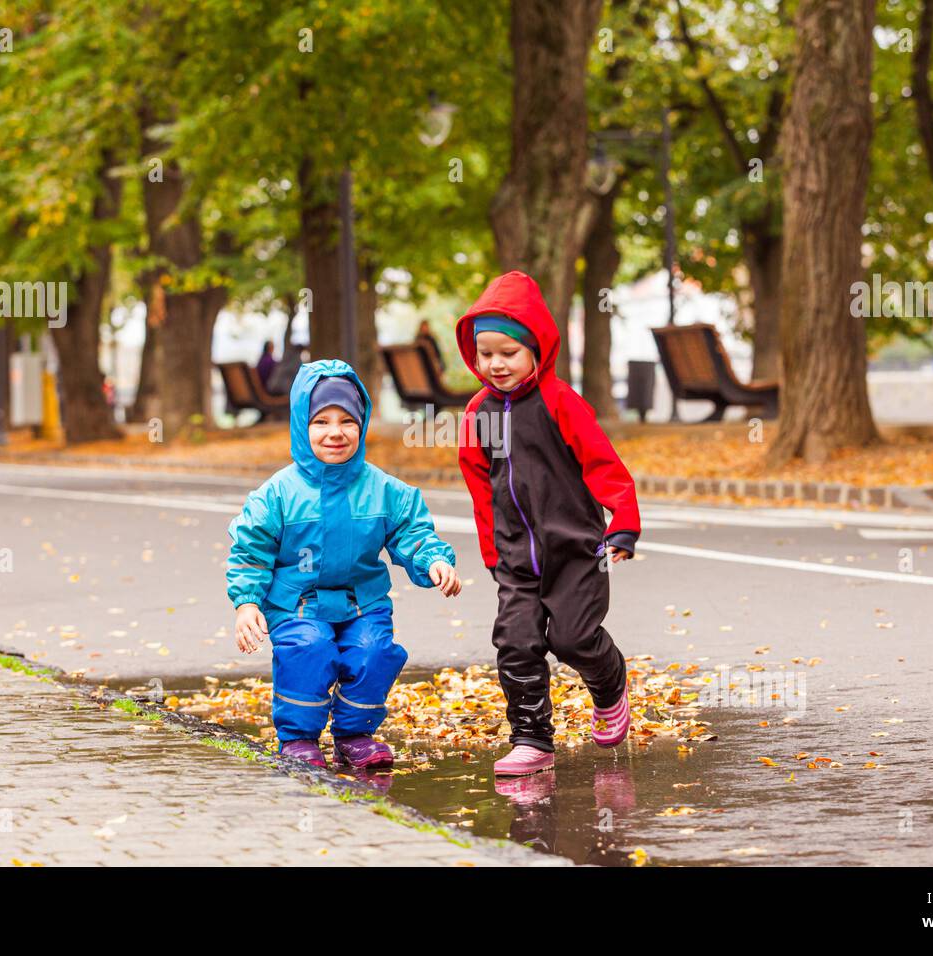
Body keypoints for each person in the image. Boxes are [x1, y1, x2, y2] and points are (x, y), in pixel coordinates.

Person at [226, 359, 462, 769]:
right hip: (298, 602)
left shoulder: (384, 490)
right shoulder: (278, 494)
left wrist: (434, 560)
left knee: (374, 652)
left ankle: (355, 733)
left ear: (362, 423)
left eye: (347, 421)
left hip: (362, 601)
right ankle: (299, 737)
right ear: (302, 425)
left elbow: (412, 532)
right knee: (309, 648)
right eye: (320, 421)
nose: (335, 432)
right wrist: (247, 602)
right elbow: (251, 551)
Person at [455, 271, 640, 777]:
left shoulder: (561, 403)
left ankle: (610, 688)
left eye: (508, 352)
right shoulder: (478, 413)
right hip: (515, 557)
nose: (495, 364)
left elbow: (604, 465)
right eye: (484, 353)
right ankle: (532, 738)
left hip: (577, 550)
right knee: (515, 642)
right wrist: (493, 552)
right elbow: (480, 486)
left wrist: (621, 523)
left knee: (573, 639)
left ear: (537, 349)